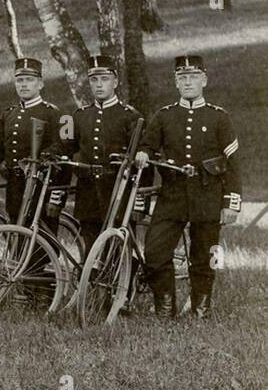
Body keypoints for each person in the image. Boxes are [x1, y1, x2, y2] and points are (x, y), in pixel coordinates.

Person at [135, 55, 240, 319]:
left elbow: (234, 164)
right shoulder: (164, 116)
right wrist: (144, 154)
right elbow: (147, 145)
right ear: (176, 82)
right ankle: (165, 309)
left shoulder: (219, 118)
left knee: (204, 257)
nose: (188, 82)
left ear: (204, 80)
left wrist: (231, 204)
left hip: (208, 197)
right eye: (182, 77)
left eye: (193, 77)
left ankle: (200, 310)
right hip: (172, 197)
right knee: (155, 252)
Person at [50, 55, 142, 251]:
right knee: (90, 248)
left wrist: (139, 202)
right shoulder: (78, 115)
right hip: (88, 192)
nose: (99, 84)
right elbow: (65, 145)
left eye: (105, 79)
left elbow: (142, 158)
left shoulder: (130, 116)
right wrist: (52, 153)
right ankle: (90, 281)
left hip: (117, 191)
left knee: (118, 250)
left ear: (115, 82)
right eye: (94, 80)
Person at [0, 57, 65, 231]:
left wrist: (56, 196)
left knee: (41, 243)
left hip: (42, 187)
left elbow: (63, 150)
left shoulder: (54, 113)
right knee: (16, 236)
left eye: (29, 80)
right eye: (19, 80)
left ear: (40, 84)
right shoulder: (8, 114)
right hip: (15, 186)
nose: (23, 85)